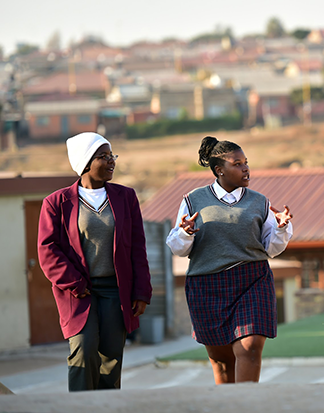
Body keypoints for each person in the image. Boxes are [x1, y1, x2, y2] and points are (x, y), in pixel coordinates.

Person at [166, 136, 293, 384]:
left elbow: (271, 249)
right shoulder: (193, 200)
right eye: (237, 163)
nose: (245, 168)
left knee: (250, 349)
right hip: (207, 285)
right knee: (223, 363)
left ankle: (246, 405)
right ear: (219, 170)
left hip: (252, 281)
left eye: (246, 162)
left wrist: (280, 228)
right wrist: (186, 232)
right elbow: (177, 249)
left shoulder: (260, 201)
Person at [37, 132, 152, 391]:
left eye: (112, 156)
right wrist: (75, 283)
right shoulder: (56, 203)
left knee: (111, 359)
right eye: (104, 156)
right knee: (83, 350)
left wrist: (142, 291)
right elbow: (47, 251)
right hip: (79, 293)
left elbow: (137, 247)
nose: (112, 161)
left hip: (116, 290)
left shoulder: (126, 197)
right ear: (86, 163)